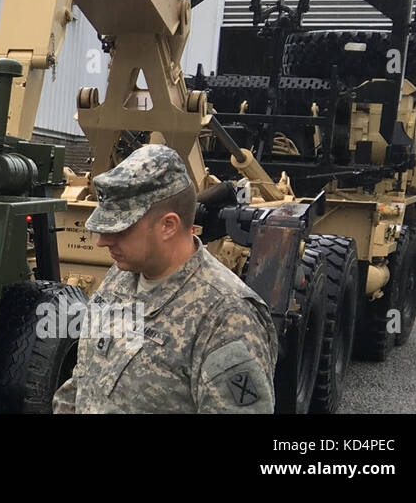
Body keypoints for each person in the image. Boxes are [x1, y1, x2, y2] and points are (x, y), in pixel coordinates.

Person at [52, 144, 278, 413]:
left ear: (168, 225)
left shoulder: (227, 316)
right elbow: (84, 379)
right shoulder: (120, 279)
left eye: (119, 229)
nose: (101, 241)